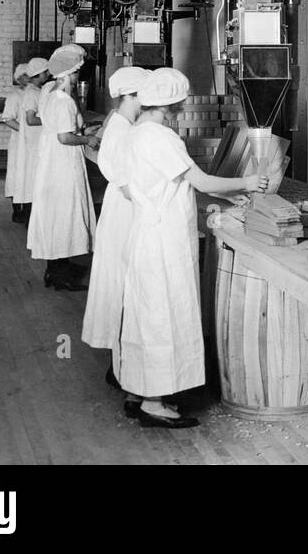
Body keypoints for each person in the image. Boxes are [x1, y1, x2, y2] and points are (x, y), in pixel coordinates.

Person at [114, 67, 265, 428]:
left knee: (145, 316)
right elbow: (199, 181)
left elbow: (149, 185)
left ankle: (139, 392)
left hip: (144, 235)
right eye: (180, 103)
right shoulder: (162, 139)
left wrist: (232, 191)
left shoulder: (136, 135)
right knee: (164, 317)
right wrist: (249, 181)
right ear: (173, 103)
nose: (182, 108)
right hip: (163, 241)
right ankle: (154, 403)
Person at [81, 65, 149, 397]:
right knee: (126, 287)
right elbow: (128, 186)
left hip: (121, 213)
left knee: (122, 287)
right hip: (126, 215)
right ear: (133, 95)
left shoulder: (121, 125)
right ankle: (123, 368)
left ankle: (119, 365)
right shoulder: (122, 131)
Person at [27, 45, 98, 291]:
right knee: (65, 212)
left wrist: (82, 130)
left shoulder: (48, 90)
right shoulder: (64, 100)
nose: (79, 77)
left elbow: (58, 127)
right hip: (63, 161)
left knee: (54, 214)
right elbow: (65, 137)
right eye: (77, 72)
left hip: (50, 160)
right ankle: (60, 274)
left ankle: (57, 267)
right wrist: (87, 139)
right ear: (70, 73)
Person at [11, 57, 51, 225]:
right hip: (33, 143)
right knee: (32, 178)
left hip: (35, 141)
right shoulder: (32, 93)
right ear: (40, 74)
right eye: (46, 72)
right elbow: (30, 119)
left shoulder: (36, 90)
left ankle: (32, 216)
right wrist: (51, 120)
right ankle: (29, 217)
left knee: (33, 178)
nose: (48, 75)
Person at [1, 63, 30, 222]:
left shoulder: (36, 93)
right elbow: (8, 119)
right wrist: (25, 131)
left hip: (32, 142)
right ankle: (17, 211)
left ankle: (27, 208)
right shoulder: (15, 96)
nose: (29, 78)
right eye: (25, 76)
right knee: (16, 175)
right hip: (19, 141)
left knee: (29, 175)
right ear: (19, 79)